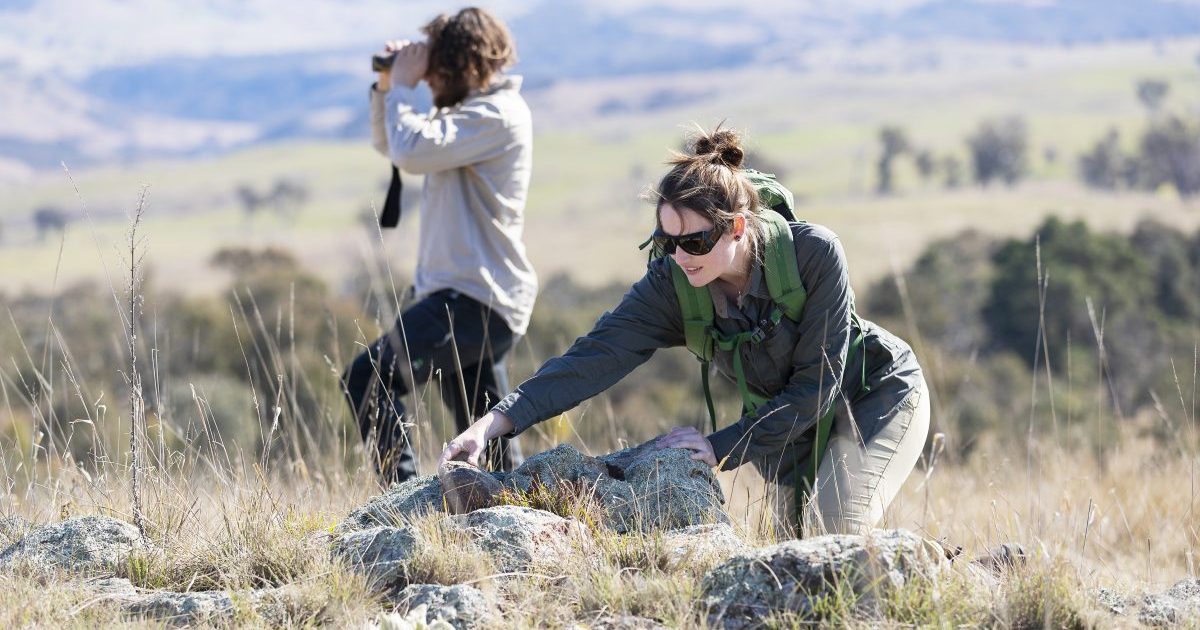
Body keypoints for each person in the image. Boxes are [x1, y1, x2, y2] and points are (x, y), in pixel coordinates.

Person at [439, 127, 930, 535]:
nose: (679, 256)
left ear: (737, 228)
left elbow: (817, 387)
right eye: (665, 240)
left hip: (874, 396)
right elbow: (594, 356)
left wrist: (719, 447)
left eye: (694, 241)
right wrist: (494, 423)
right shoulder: (673, 281)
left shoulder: (814, 254)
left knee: (833, 531)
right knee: (788, 561)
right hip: (789, 431)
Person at [343, 7, 534, 485]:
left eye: (437, 70)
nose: (429, 82)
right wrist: (389, 89)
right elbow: (395, 146)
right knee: (483, 434)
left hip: (472, 300)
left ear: (465, 65)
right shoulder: (468, 116)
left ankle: (404, 502)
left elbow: (411, 150)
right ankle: (508, 512)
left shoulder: (497, 115)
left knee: (368, 379)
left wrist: (405, 87)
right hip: (465, 298)